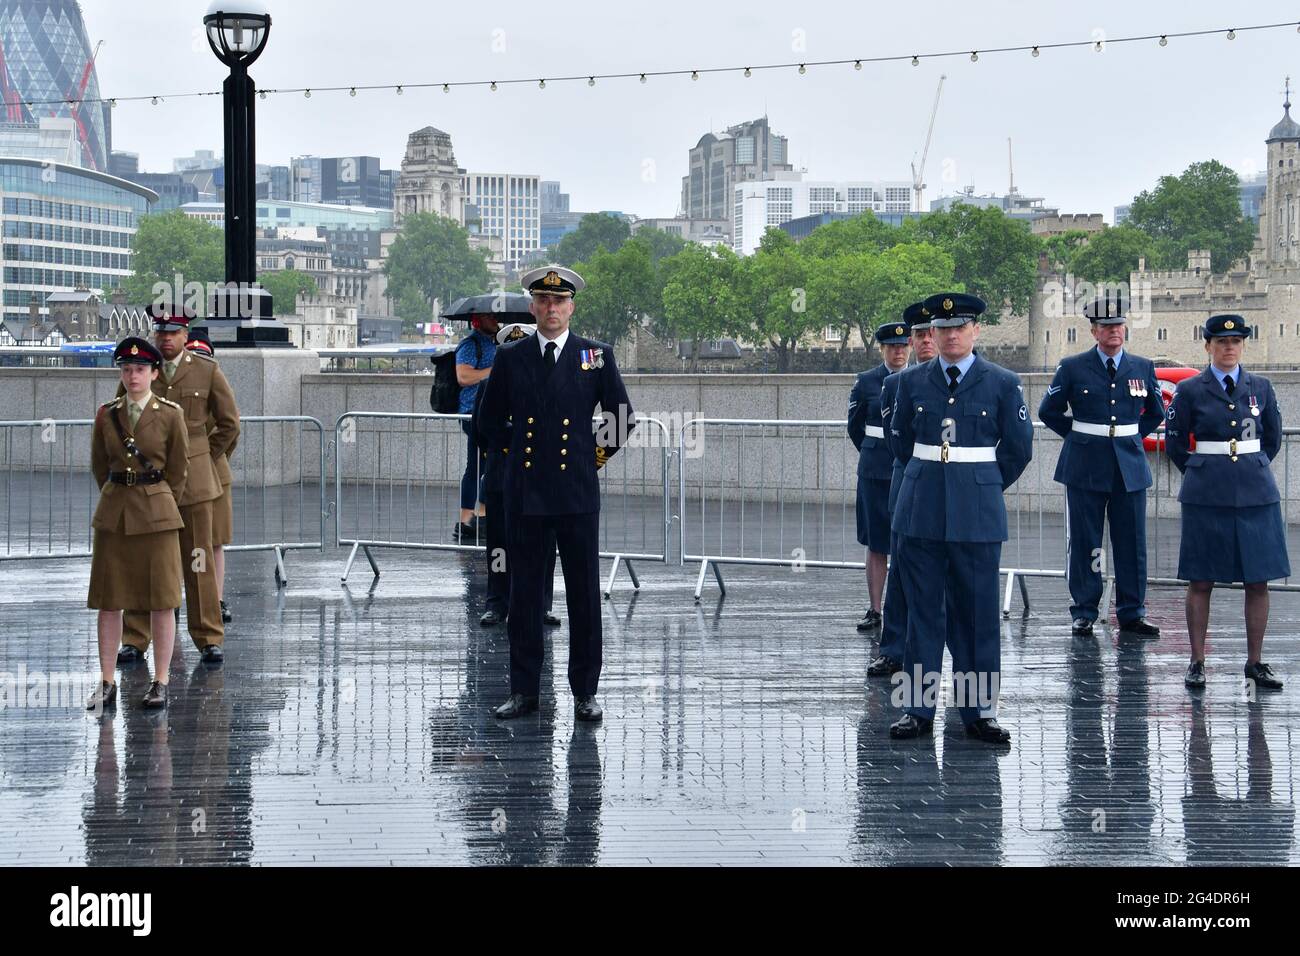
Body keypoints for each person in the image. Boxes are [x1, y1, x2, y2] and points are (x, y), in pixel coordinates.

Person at [477, 265, 636, 722]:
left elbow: (623, 418)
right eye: (543, 302)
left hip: (576, 494)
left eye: (559, 301)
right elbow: (489, 424)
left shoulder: (596, 356)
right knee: (525, 596)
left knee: (584, 596)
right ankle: (524, 691)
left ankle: (585, 692)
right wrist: (517, 457)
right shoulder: (512, 356)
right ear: (532, 307)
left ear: (571, 307)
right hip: (526, 493)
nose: (551, 309)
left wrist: (592, 459)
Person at [886, 292, 1033, 744]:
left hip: (976, 516)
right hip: (922, 511)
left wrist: (980, 486)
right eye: (942, 330)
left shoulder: (1003, 383)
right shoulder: (909, 383)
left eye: (959, 328)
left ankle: (978, 713)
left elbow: (1018, 449)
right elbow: (901, 442)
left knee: (977, 616)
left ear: (976, 331)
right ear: (932, 334)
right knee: (922, 616)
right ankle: (917, 709)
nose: (950, 336)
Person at [1165, 314, 1287, 692]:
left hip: (1255, 493)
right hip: (1207, 494)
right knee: (1201, 580)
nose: (1228, 348)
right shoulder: (1190, 390)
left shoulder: (1260, 388)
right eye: (1220, 342)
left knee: (1258, 580)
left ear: (1243, 346)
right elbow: (1174, 443)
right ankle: (1197, 660)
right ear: (1208, 346)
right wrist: (1202, 471)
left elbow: (1272, 439)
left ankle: (1255, 661)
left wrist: (1255, 466)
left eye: (1234, 342)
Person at [117, 304, 239, 666]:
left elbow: (230, 425)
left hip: (196, 487)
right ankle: (135, 638)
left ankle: (208, 638)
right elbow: (121, 419)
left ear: (186, 336)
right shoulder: (143, 371)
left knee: (198, 562)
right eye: (160, 332)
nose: (165, 338)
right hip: (150, 484)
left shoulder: (207, 371)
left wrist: (203, 457)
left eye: (172, 333)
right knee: (144, 563)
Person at [1038, 294, 1165, 637]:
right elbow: (1048, 411)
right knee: (1086, 542)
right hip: (1085, 464)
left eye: (1119, 325)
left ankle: (1132, 611)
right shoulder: (1073, 367)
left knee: (1131, 542)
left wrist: (1130, 437)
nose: (1114, 331)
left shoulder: (1141, 367)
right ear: (1094, 331)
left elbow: (1156, 412)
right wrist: (1078, 436)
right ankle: (1084, 609)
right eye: (1107, 326)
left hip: (1128, 466)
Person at [86, 338, 189, 711]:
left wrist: (158, 503)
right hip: (115, 515)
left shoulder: (170, 414)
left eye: (140, 370)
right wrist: (121, 496)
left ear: (154, 373)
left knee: (162, 600)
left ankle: (160, 681)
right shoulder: (106, 414)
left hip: (157, 516)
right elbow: (101, 466)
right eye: (127, 370)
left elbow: (178, 471)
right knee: (109, 601)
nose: (133, 377)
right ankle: (107, 681)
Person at [473, 321, 559, 629]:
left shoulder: (545, 384)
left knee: (546, 546)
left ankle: (543, 604)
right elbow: (482, 430)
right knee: (499, 545)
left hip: (539, 478)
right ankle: (497, 602)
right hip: (502, 476)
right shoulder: (487, 386)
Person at [870, 304, 935, 677]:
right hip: (908, 483)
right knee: (902, 570)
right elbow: (897, 443)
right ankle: (893, 648)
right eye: (921, 334)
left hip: (952, 490)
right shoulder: (895, 384)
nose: (927, 340)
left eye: (932, 333)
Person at [847, 321, 912, 631]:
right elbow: (854, 427)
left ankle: (904, 606)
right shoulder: (866, 382)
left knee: (907, 540)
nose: (898, 351)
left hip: (910, 469)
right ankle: (875, 608)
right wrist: (874, 452)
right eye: (892, 347)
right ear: (883, 349)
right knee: (876, 542)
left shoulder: (920, 379)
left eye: (903, 346)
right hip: (875, 471)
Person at [186, 327, 239, 624]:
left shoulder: (214, 382)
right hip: (184, 471)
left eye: (202, 355)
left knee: (215, 541)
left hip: (213, 472)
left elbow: (230, 427)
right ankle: (181, 600)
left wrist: (208, 456)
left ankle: (216, 600)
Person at [453, 311, 500, 541]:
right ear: (478, 321)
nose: (497, 321)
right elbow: (463, 376)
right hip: (474, 414)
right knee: (481, 466)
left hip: (489, 412)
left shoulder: (495, 343)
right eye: (491, 318)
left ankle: (473, 517)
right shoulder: (471, 344)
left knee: (484, 466)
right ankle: (471, 517)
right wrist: (495, 370)